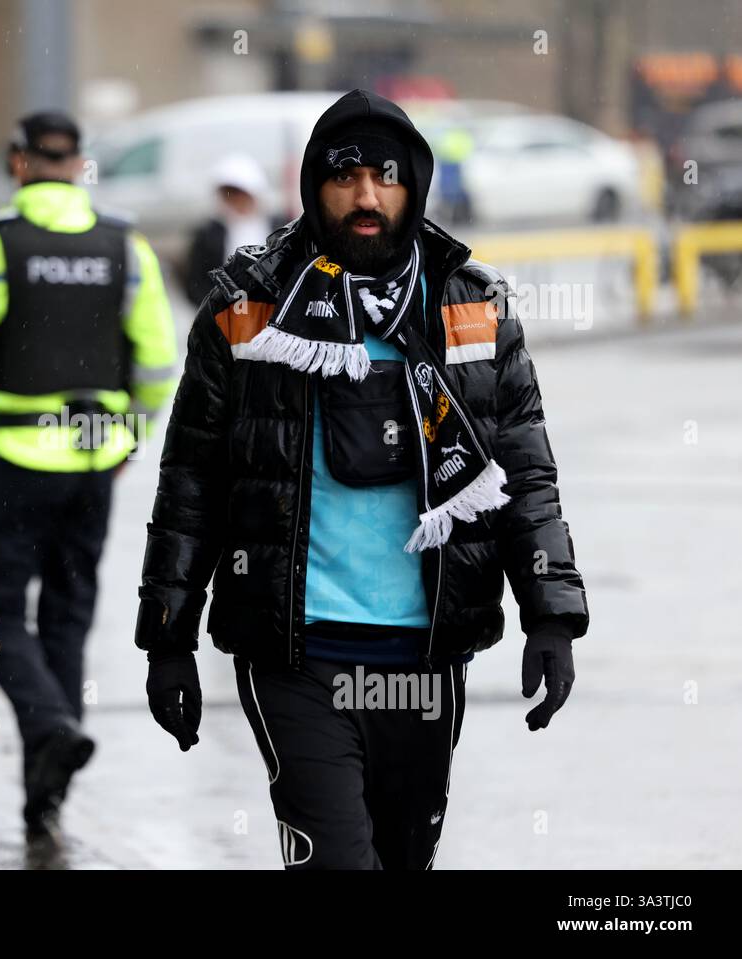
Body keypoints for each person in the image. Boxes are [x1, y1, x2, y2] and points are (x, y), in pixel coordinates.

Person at [136, 90, 588, 869]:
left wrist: (551, 613)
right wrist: (167, 637)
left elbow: (523, 467)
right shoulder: (248, 308)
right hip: (297, 655)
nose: (367, 196)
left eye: (386, 176)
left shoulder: (473, 307)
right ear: (315, 187)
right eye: (346, 178)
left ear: (414, 186)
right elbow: (192, 479)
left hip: (426, 657)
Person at [0, 110, 176, 859]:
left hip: (21, 454)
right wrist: (128, 434)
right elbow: (157, 359)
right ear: (81, 163)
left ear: (19, 163)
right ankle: (44, 802)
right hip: (96, 460)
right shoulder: (125, 245)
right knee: (69, 616)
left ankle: (51, 726)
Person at [181, 153, 280, 306]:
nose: (235, 200)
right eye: (229, 194)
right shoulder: (208, 235)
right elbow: (196, 282)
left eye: (240, 193)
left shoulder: (279, 226)